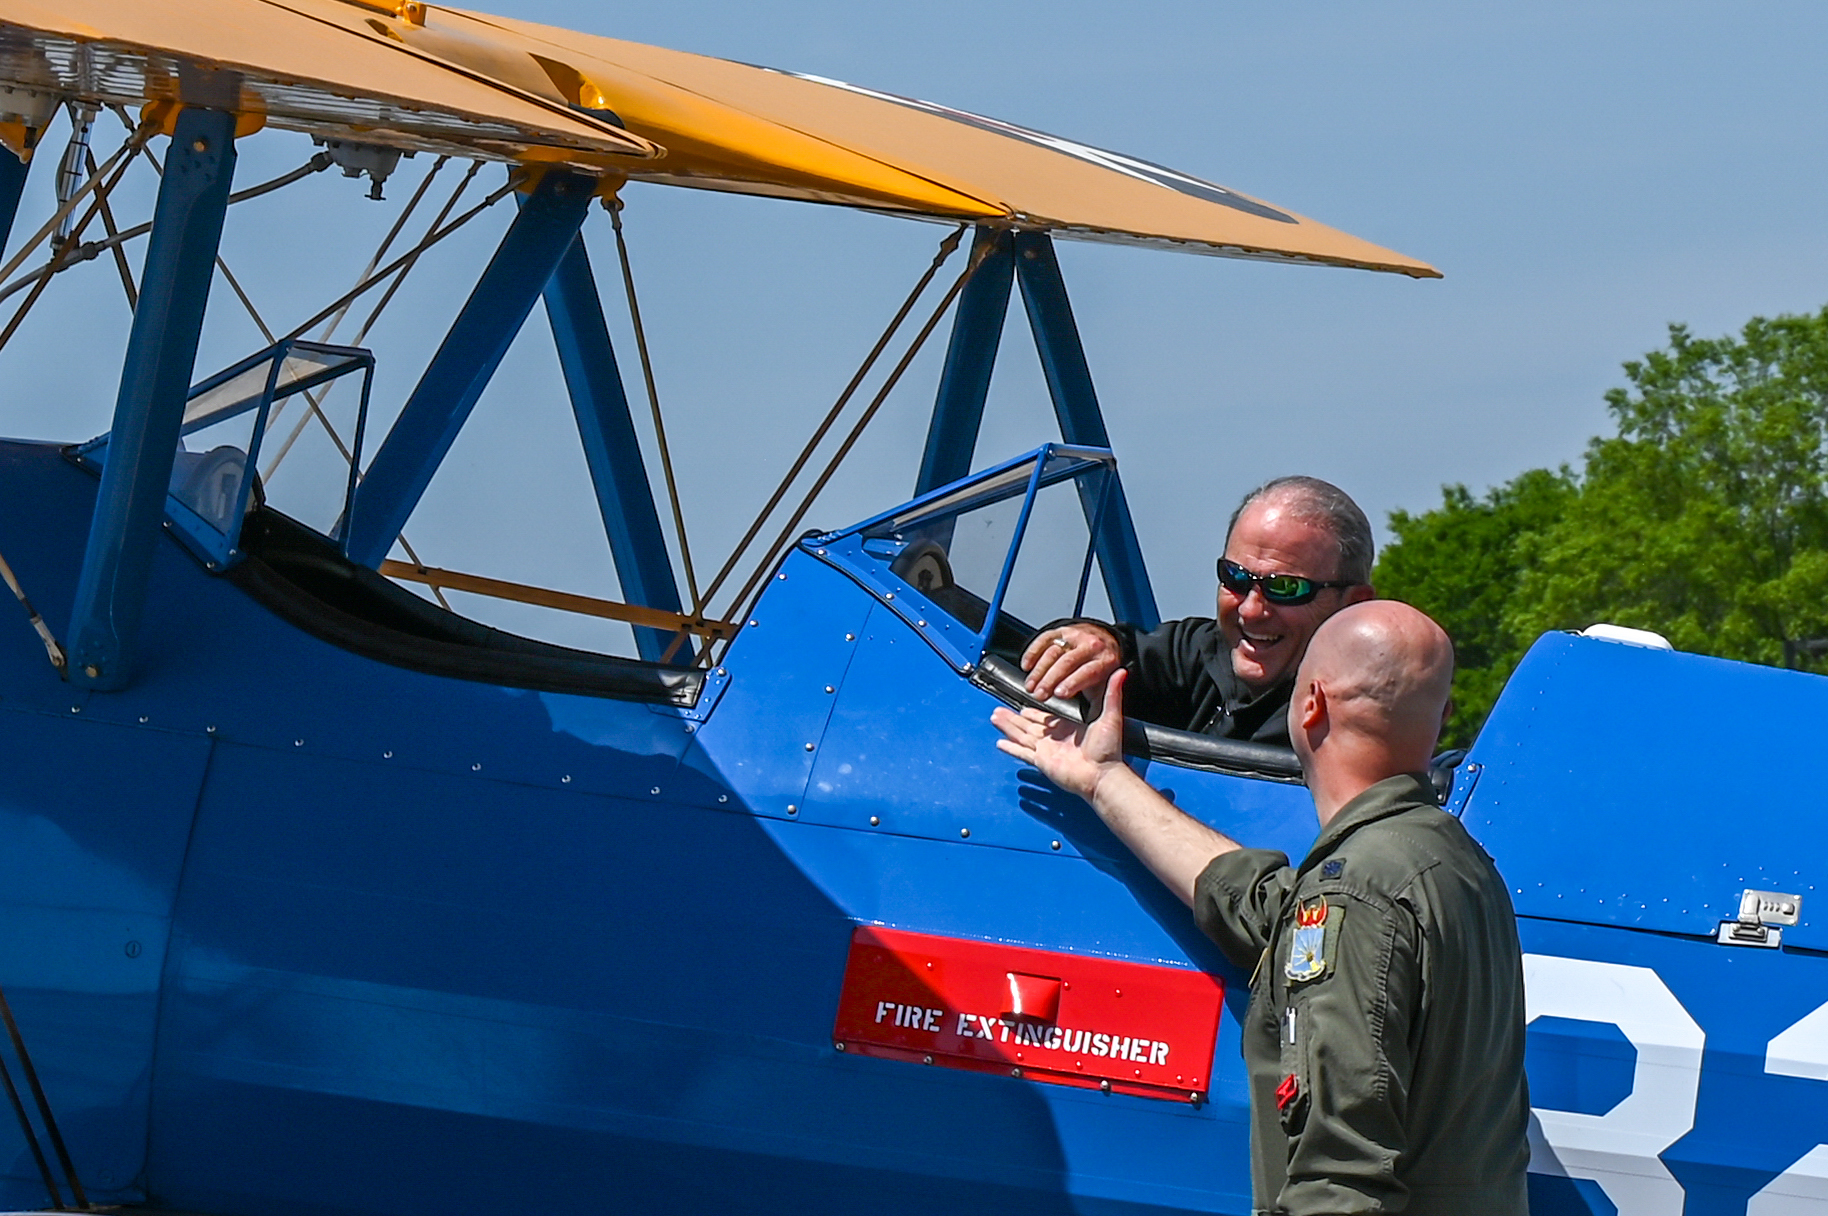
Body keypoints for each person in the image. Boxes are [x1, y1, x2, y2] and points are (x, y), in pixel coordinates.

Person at [991, 601, 1530, 1216]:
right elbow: (1271, 911)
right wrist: (1103, 780)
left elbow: (1342, 1178)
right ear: (1440, 721)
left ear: (1311, 705)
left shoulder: (1353, 894)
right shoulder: (1451, 865)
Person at [1020, 476, 1375, 747]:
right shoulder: (1198, 651)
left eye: (1284, 588)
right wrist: (1096, 643)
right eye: (1234, 578)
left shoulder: (1357, 728)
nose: (1251, 611)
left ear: (1353, 604)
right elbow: (1129, 651)